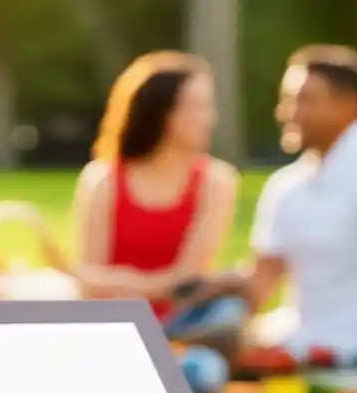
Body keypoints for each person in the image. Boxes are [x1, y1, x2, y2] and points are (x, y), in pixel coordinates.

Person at [191, 45, 357, 393]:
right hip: (295, 340)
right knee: (197, 361)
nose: (287, 113)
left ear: (349, 105)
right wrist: (204, 295)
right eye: (287, 100)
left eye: (304, 100)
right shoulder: (287, 186)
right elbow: (261, 282)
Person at [71, 51, 242, 349]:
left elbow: (186, 284)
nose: (209, 119)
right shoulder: (103, 179)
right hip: (114, 327)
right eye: (196, 107)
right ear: (162, 111)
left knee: (216, 343)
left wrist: (122, 281)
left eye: (207, 106)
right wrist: (156, 286)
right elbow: (88, 284)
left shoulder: (218, 181)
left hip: (182, 328)